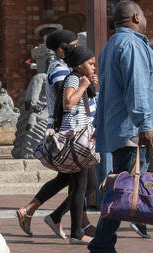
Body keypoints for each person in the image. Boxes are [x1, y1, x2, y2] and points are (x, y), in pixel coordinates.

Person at [87, 1, 153, 253]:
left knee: (132, 188)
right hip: (136, 134)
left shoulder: (114, 45)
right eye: (145, 14)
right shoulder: (133, 45)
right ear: (137, 16)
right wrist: (145, 124)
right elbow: (137, 89)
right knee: (132, 190)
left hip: (128, 132)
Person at [15, 30, 98, 241]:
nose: (77, 49)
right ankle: (75, 228)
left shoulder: (70, 70)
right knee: (82, 183)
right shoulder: (62, 71)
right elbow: (67, 102)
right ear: (62, 50)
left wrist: (89, 85)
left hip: (79, 132)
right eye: (73, 46)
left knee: (73, 180)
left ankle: (54, 216)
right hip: (72, 134)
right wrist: (83, 84)